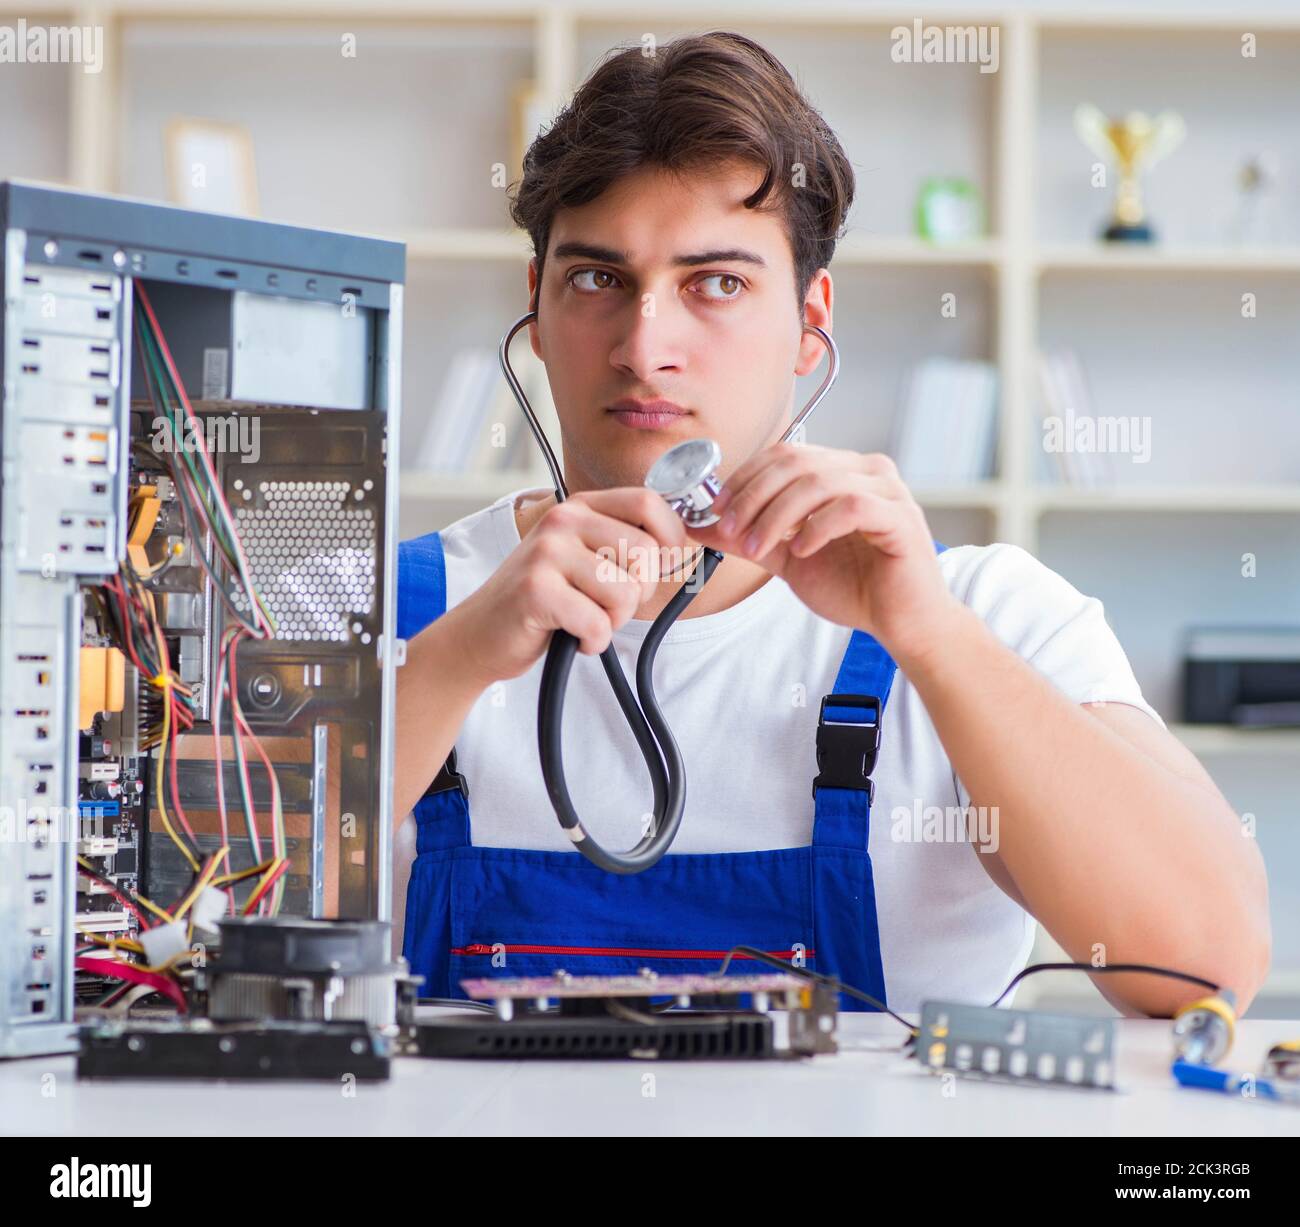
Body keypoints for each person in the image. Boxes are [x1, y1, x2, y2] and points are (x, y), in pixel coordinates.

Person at [392, 31, 1268, 1016]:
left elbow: (1204, 970)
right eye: (598, 279)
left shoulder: (988, 611)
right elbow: (197, 919)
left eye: (715, 283)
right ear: (537, 308)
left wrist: (926, 635)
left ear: (811, 324)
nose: (646, 347)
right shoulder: (379, 608)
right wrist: (453, 659)